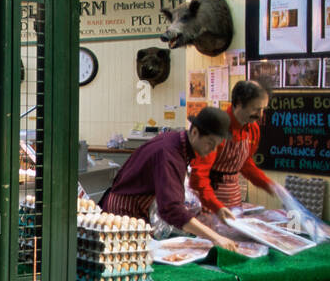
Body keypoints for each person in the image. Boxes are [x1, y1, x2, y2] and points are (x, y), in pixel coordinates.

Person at [100, 107, 239, 252]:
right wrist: (215, 237)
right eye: (210, 143)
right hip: (123, 214)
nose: (213, 150)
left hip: (136, 211)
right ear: (195, 132)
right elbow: (171, 209)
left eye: (217, 145)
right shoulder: (169, 153)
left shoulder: (177, 141)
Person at [189, 79, 276, 220]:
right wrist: (216, 206)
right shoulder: (217, 127)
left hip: (234, 198)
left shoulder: (253, 129)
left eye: (263, 109)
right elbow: (199, 176)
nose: (260, 115)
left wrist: (269, 185)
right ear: (239, 103)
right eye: (256, 109)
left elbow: (245, 164)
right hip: (208, 200)